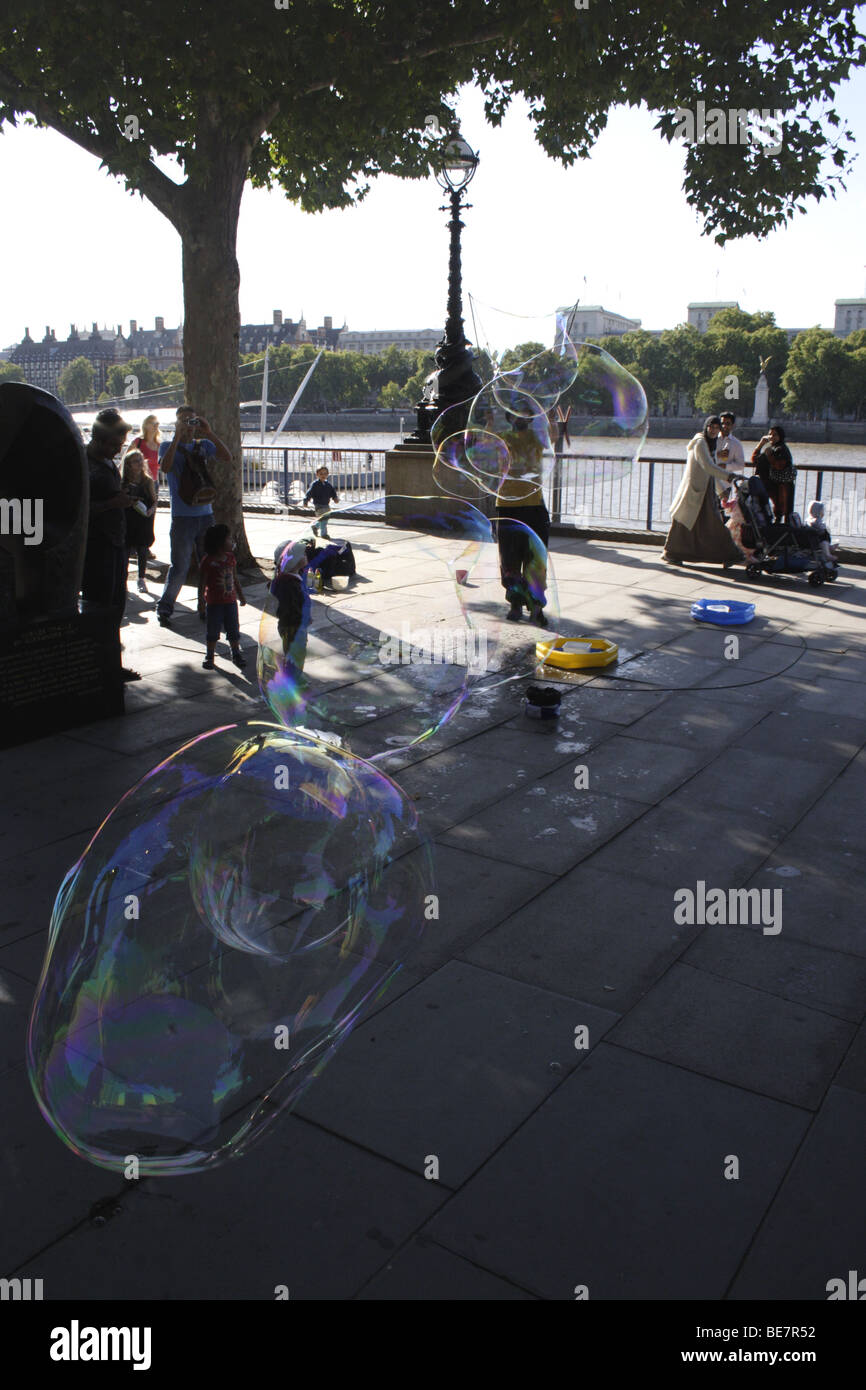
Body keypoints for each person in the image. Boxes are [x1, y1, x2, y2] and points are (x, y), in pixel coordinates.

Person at [156, 405, 231, 628]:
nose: (189, 425)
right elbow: (165, 468)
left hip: (205, 515)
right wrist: (178, 438)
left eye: (192, 420)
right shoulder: (168, 446)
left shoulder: (203, 445)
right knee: (179, 566)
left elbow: (227, 457)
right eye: (184, 420)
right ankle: (165, 606)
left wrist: (209, 432)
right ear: (177, 423)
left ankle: (206, 606)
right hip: (182, 517)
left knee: (208, 563)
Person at [81, 413, 140, 681]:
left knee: (115, 605)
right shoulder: (82, 465)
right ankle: (99, 665)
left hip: (116, 543)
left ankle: (110, 663)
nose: (120, 450)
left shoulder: (104, 461)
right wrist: (111, 505)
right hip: (98, 547)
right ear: (100, 439)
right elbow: (76, 510)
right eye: (116, 444)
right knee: (100, 607)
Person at [662, 415, 741, 567]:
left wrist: (720, 490)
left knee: (705, 525)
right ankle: (730, 555)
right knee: (686, 524)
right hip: (695, 491)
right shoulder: (700, 443)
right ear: (706, 427)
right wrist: (729, 477)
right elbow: (708, 466)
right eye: (711, 426)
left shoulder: (709, 444)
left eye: (717, 428)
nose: (714, 430)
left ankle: (729, 554)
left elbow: (709, 471)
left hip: (704, 491)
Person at [494, 415, 550, 625]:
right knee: (510, 560)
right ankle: (516, 603)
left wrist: (555, 424)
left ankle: (536, 606)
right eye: (516, 413)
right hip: (508, 505)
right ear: (508, 417)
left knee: (536, 559)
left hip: (533, 504)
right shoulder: (501, 437)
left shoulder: (537, 437)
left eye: (525, 413)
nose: (521, 417)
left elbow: (551, 434)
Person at [198, 523, 246, 669]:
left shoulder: (231, 558)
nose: (232, 542)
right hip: (214, 603)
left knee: (233, 629)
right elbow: (202, 583)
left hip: (230, 602)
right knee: (212, 630)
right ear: (220, 543)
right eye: (229, 539)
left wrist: (241, 596)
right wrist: (201, 602)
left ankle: (236, 653)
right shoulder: (208, 561)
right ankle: (210, 655)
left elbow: (235, 578)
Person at [121, 449, 156, 594]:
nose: (140, 463)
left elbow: (154, 500)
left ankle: (141, 578)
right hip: (128, 519)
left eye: (141, 460)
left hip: (143, 519)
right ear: (128, 464)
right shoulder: (124, 482)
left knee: (142, 550)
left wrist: (151, 510)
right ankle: (123, 579)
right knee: (126, 551)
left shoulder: (147, 481)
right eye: (136, 461)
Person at [751, 425, 796, 522]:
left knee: (783, 510)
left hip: (781, 485)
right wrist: (761, 444)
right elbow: (755, 460)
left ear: (780, 436)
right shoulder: (771, 448)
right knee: (777, 510)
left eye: (775, 435)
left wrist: (769, 455)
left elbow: (780, 465)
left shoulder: (781, 449)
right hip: (771, 484)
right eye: (770, 434)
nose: (771, 437)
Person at [304, 466, 339, 538]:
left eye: (325, 474)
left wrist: (335, 498)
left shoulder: (328, 485)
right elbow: (309, 493)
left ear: (328, 474)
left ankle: (315, 526)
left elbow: (333, 492)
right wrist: (306, 500)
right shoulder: (315, 484)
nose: (323, 475)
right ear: (317, 475)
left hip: (326, 504)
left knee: (323, 519)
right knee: (324, 519)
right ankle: (324, 534)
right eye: (321, 474)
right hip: (318, 505)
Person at [806, 500, 839, 572]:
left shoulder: (810, 519)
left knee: (825, 543)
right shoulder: (815, 521)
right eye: (822, 511)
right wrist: (824, 528)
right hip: (818, 540)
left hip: (820, 538)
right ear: (817, 512)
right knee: (824, 543)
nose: (823, 513)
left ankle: (829, 548)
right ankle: (828, 555)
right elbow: (820, 529)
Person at [129, 414, 161, 484]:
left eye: (157, 423)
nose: (155, 425)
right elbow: (125, 459)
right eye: (152, 423)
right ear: (145, 425)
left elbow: (160, 465)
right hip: (138, 481)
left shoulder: (159, 445)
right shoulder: (138, 442)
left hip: (154, 482)